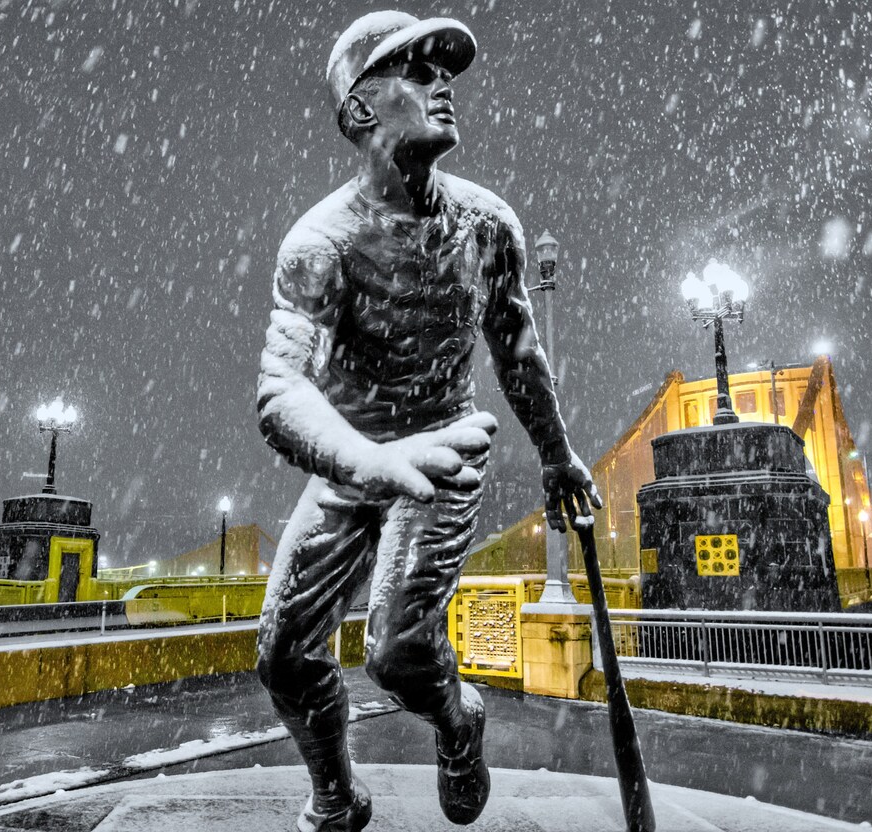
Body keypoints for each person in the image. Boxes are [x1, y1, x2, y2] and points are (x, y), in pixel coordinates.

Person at [255, 11, 601, 831]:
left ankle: (458, 721)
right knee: (281, 654)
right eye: (415, 70)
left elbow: (519, 354)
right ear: (363, 110)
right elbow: (280, 387)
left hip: (447, 445)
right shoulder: (321, 242)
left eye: (444, 69)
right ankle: (337, 796)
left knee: (399, 655)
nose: (443, 83)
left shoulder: (487, 225)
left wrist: (557, 457)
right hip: (353, 456)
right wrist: (364, 462)